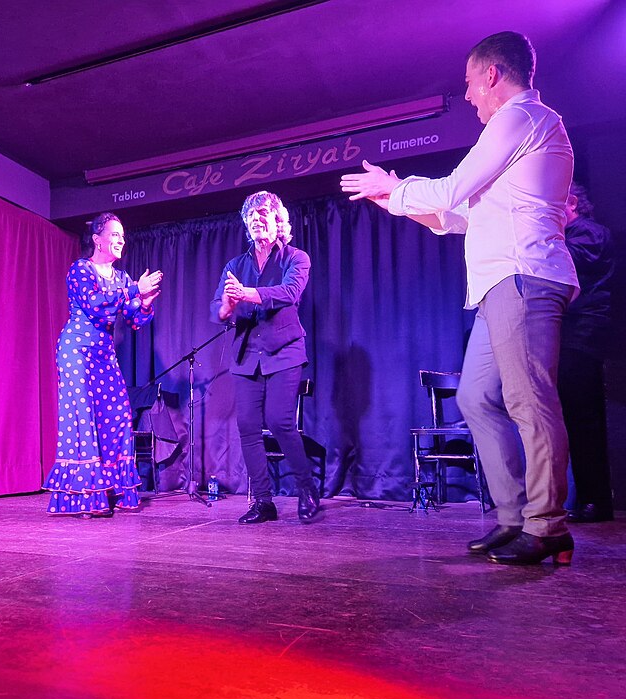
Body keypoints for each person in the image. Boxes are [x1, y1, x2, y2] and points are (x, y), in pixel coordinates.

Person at [341, 31, 579, 565]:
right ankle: (513, 517)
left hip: (523, 277)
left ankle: (547, 525)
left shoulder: (520, 117)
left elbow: (450, 189)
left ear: (492, 75)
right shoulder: (516, 135)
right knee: (475, 398)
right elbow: (456, 216)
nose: (468, 95)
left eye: (470, 83)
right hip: (501, 285)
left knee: (529, 401)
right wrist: (392, 198)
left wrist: (396, 188)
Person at [211, 190, 321, 524]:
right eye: (251, 215)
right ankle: (263, 501)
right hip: (247, 356)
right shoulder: (236, 266)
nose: (257, 219)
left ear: (277, 219)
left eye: (263, 213)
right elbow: (218, 310)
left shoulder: (295, 258)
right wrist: (227, 306)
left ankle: (307, 489)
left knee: (279, 420)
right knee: (247, 426)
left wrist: (247, 294)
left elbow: (289, 292)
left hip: (284, 351)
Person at [44, 212, 163, 517]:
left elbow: (134, 320)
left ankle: (111, 490)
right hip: (76, 351)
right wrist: (135, 291)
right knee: (84, 419)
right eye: (115, 234)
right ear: (98, 240)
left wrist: (144, 302)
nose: (121, 240)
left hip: (104, 355)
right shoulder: (80, 269)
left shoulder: (121, 278)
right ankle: (86, 497)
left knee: (119, 415)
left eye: (123, 235)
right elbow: (95, 304)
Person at [559, 182, 615, 522]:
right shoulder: (575, 234)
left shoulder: (589, 233)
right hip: (572, 333)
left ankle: (596, 500)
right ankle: (589, 499)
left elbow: (569, 261)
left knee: (584, 418)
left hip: (584, 333)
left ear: (572, 203)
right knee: (575, 418)